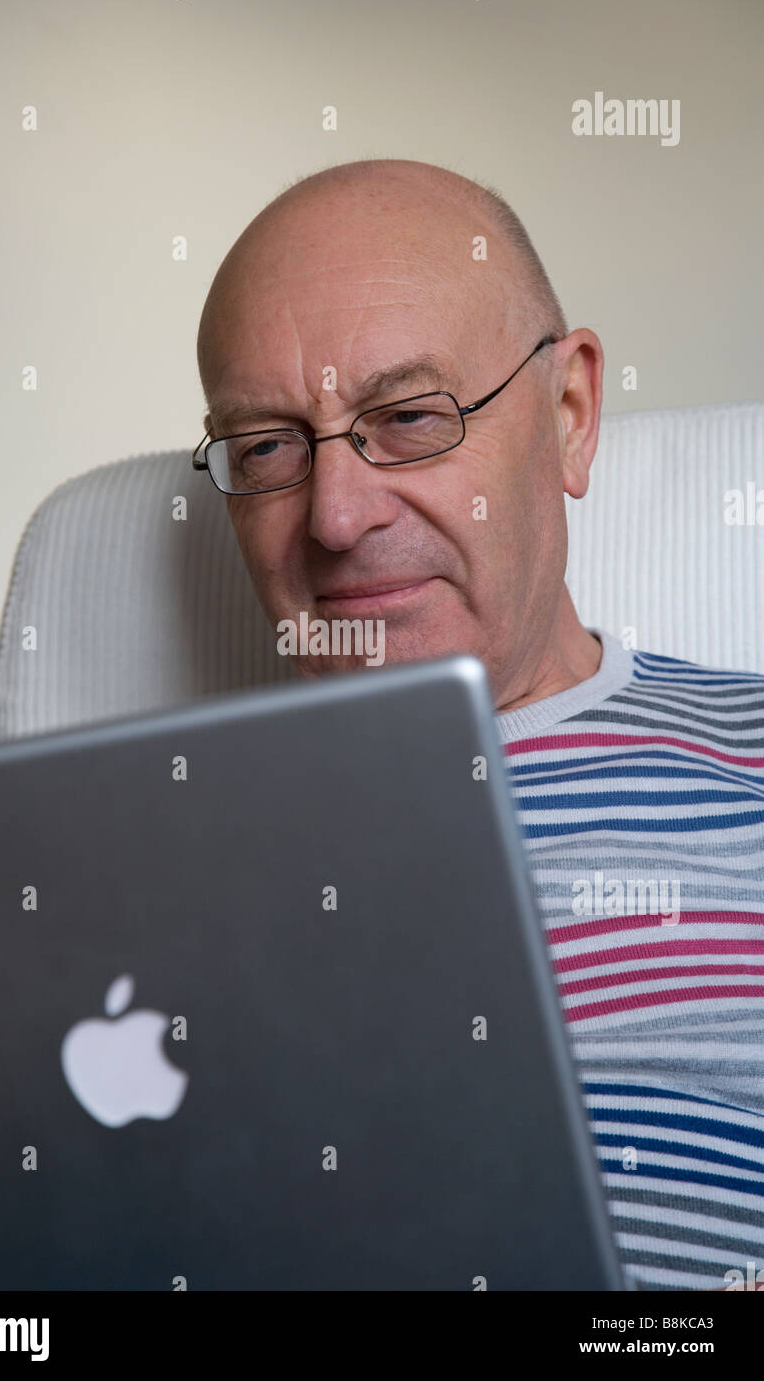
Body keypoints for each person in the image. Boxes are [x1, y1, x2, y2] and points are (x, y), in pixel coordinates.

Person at [193, 158, 764, 1291]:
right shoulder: (128, 843)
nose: (337, 516)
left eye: (406, 418)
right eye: (265, 445)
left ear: (568, 416)